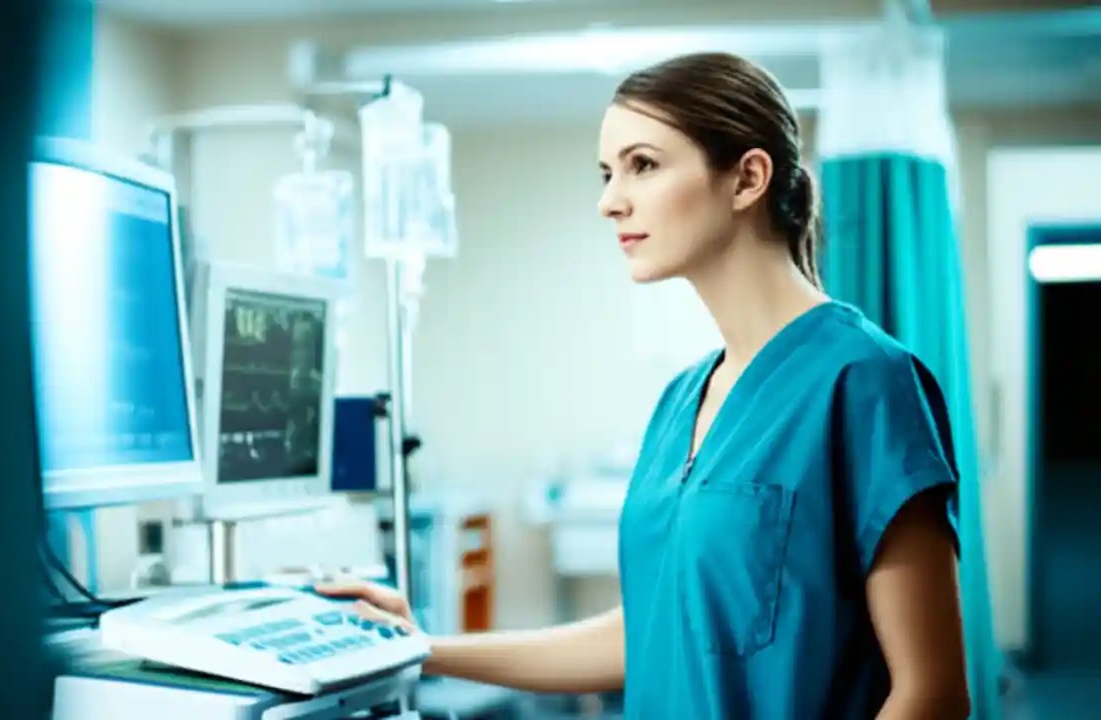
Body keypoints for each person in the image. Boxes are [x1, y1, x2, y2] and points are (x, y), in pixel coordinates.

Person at [318, 52, 970, 719]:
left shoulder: (865, 383)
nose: (610, 200)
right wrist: (423, 647)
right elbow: (649, 635)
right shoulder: (680, 402)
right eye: (607, 173)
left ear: (747, 178)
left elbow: (932, 694)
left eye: (643, 165)